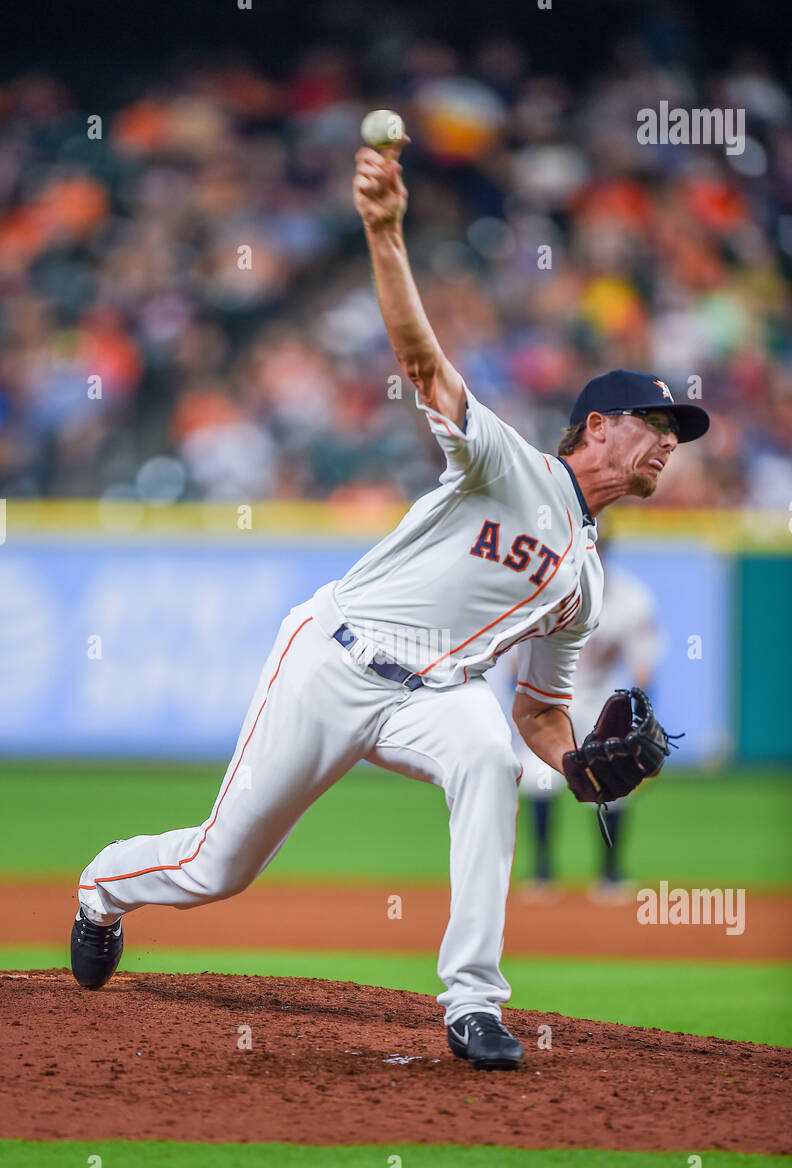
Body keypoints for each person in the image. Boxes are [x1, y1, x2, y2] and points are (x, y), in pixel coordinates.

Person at [71, 137, 709, 1071]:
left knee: (492, 756)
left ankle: (473, 1003)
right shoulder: (504, 462)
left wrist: (578, 769)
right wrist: (384, 231)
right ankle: (100, 889)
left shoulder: (586, 580)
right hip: (335, 657)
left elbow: (538, 709)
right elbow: (419, 355)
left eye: (676, 435)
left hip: (435, 697)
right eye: (654, 426)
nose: (667, 445)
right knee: (220, 867)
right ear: (597, 427)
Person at [487, 532, 661, 897]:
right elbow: (515, 660)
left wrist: (643, 711)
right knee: (538, 778)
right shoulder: (543, 592)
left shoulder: (630, 598)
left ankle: (610, 874)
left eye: (598, 544)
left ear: (606, 549)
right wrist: (523, 710)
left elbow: (643, 662)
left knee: (613, 777)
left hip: (601, 696)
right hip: (548, 695)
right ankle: (542, 871)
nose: (592, 551)